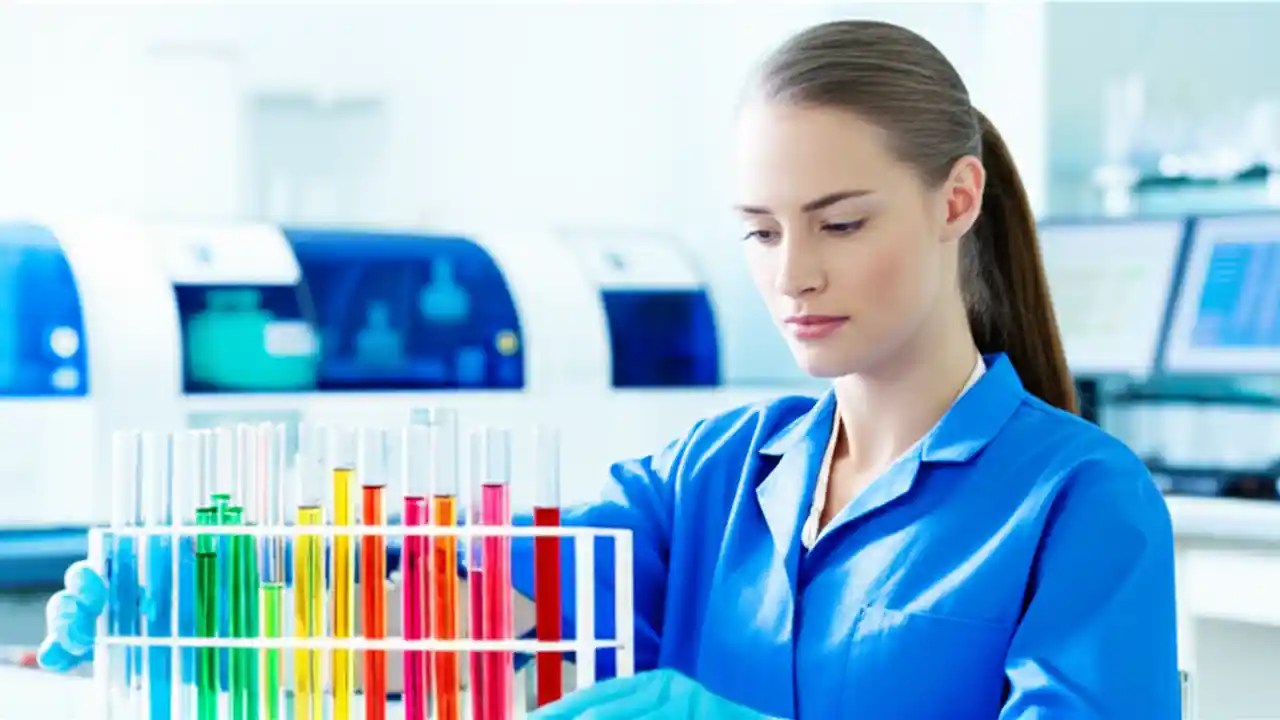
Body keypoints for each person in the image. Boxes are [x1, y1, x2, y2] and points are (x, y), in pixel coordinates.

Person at [41, 19, 1180, 719]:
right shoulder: (716, 475)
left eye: (837, 224)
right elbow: (454, 603)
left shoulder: (1078, 503)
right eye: (756, 228)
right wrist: (218, 597)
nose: (790, 275)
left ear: (955, 200)